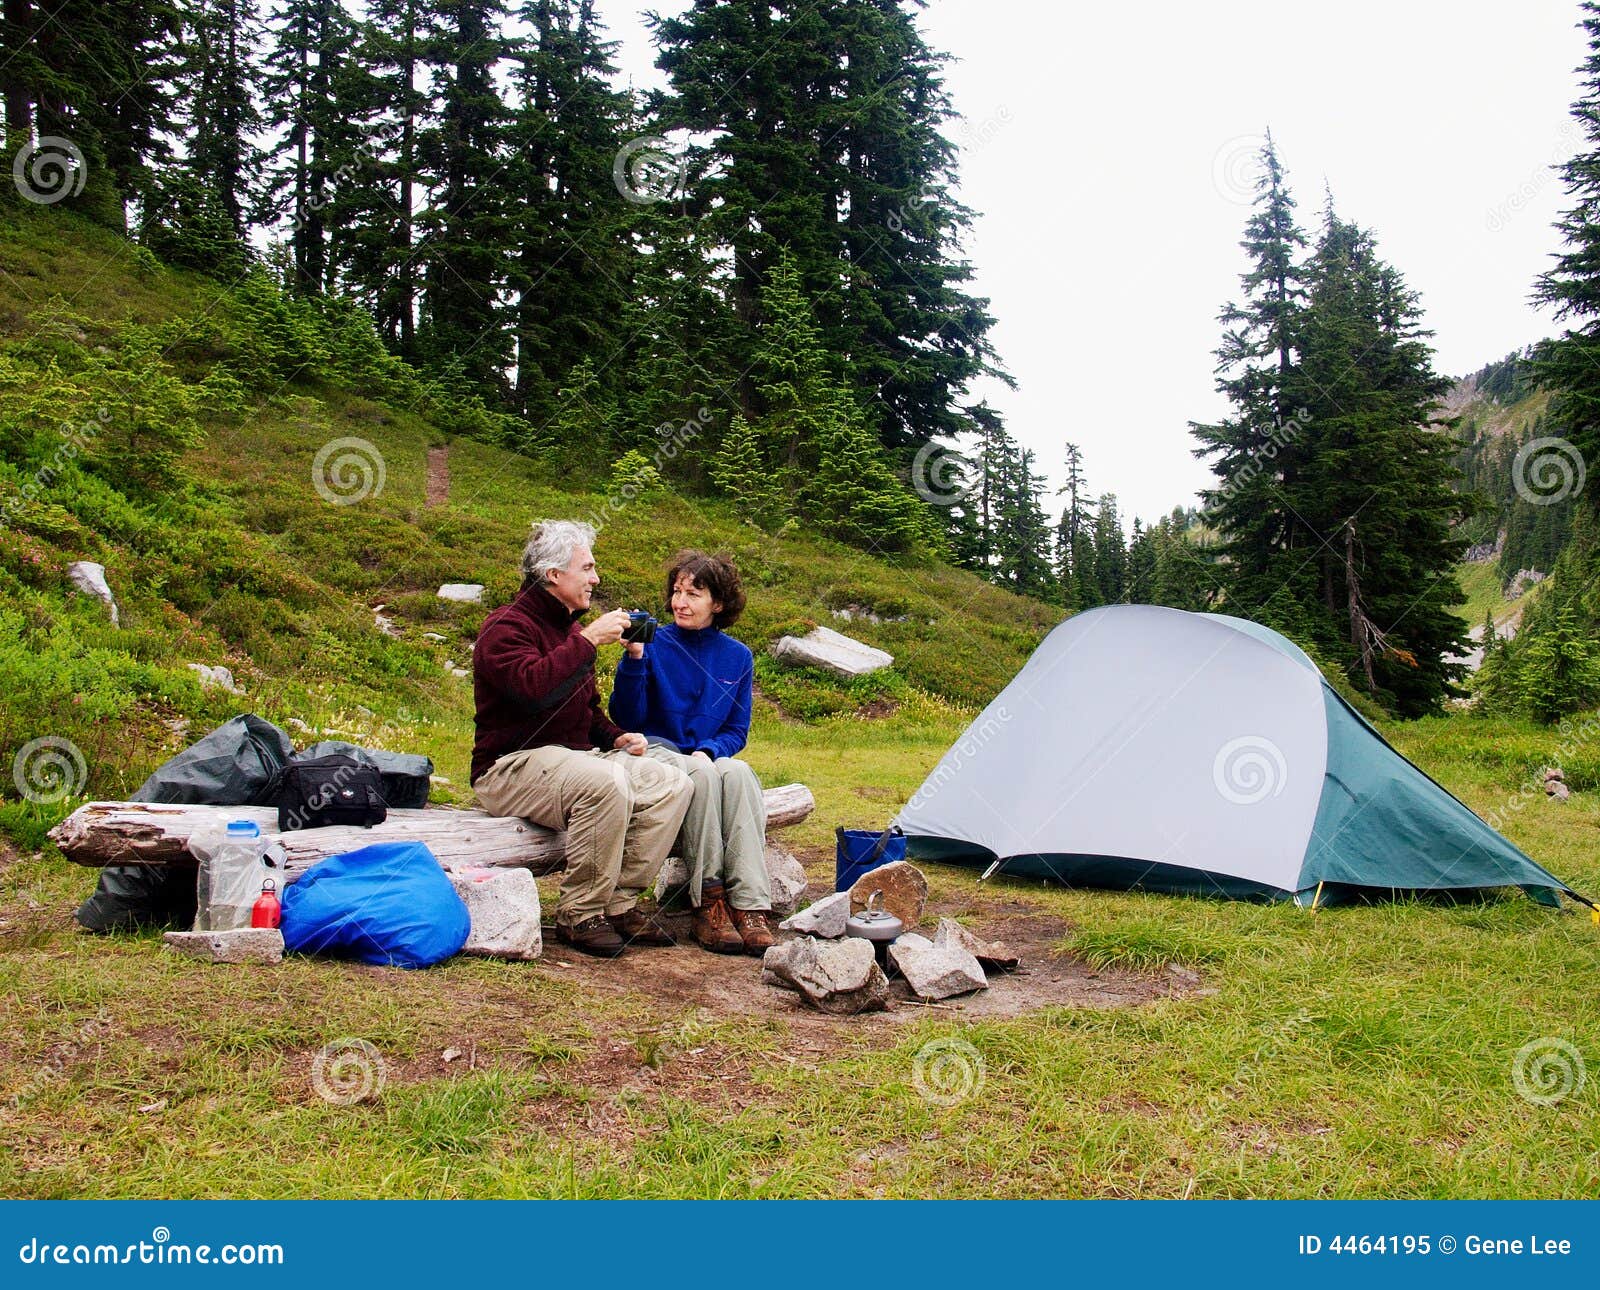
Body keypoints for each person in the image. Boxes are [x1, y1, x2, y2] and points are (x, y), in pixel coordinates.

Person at [472, 520, 693, 958]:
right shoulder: (505, 628)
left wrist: (616, 737)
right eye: (587, 568)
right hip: (509, 766)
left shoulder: (570, 630)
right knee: (603, 782)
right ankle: (580, 913)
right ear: (554, 575)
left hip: (571, 761)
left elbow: (586, 710)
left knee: (671, 783)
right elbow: (533, 691)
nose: (595, 578)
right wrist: (590, 639)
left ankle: (619, 902)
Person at [609, 550, 775, 955]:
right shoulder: (654, 643)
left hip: (702, 757)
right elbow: (626, 717)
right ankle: (709, 903)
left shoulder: (737, 656)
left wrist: (709, 749)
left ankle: (751, 905)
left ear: (718, 603)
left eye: (694, 594)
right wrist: (634, 658)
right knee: (700, 775)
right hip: (653, 752)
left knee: (739, 773)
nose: (680, 602)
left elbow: (737, 730)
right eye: (677, 592)